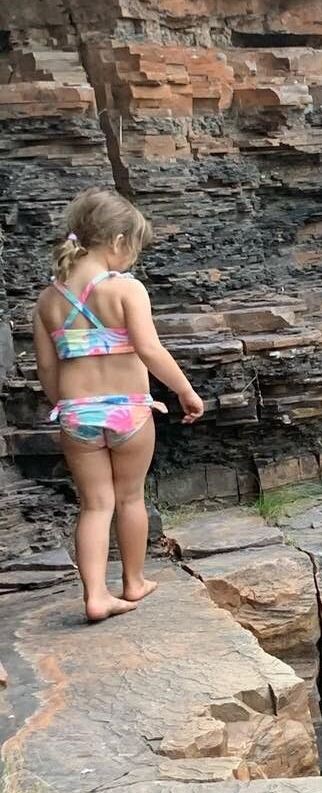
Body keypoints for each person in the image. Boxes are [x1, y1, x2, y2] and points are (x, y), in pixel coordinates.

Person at [32, 190, 204, 622]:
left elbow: (47, 370)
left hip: (76, 413)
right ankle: (133, 580)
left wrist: (67, 408)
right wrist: (185, 391)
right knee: (130, 498)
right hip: (128, 410)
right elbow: (149, 349)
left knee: (94, 505)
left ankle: (95, 594)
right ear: (118, 241)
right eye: (135, 249)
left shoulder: (48, 301)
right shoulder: (125, 289)